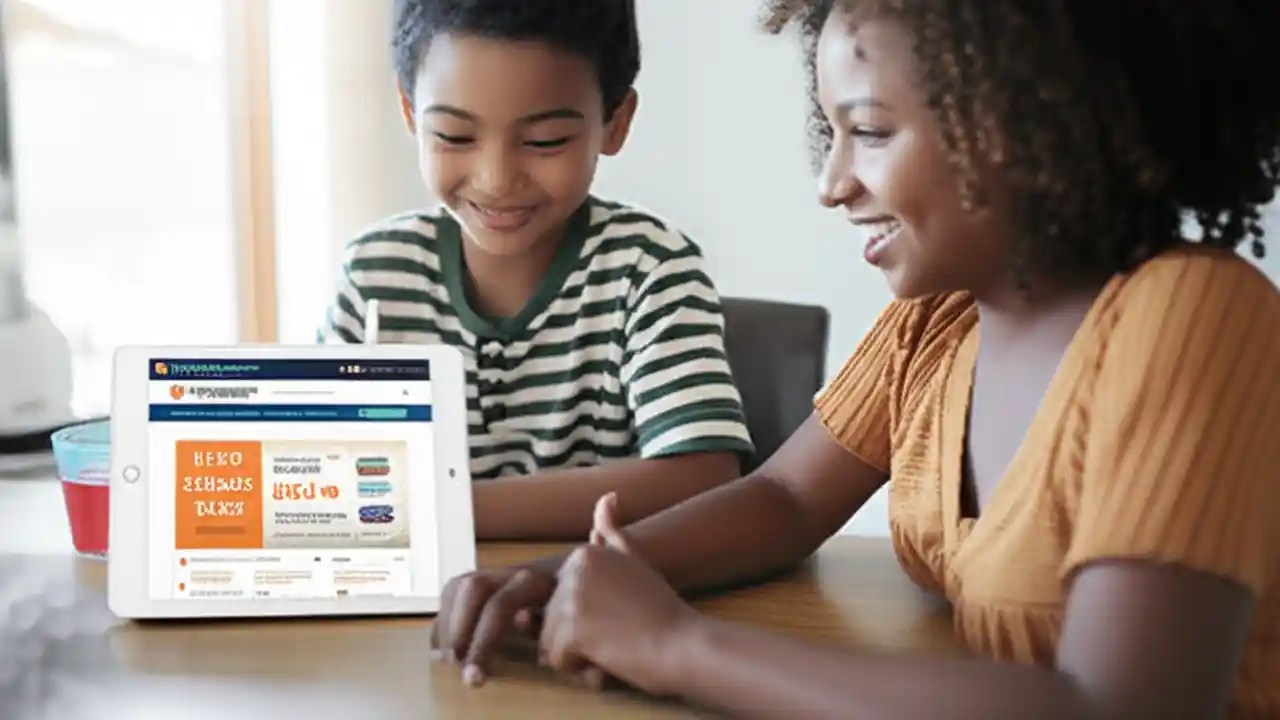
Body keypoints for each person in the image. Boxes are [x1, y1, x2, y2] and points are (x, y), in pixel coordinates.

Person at [428, 0, 1280, 716]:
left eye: (869, 131)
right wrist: (569, 579)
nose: (832, 182)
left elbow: (1117, 707)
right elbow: (787, 498)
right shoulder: (939, 319)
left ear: (1039, 123)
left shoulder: (1190, 315)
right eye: (830, 130)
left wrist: (674, 645)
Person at [319, 0, 754, 541]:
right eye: (454, 136)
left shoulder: (649, 269)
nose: (496, 179)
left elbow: (703, 476)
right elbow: (324, 475)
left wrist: (438, 507)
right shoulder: (373, 275)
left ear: (615, 123)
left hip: (587, 587)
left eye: (545, 141)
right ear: (410, 114)